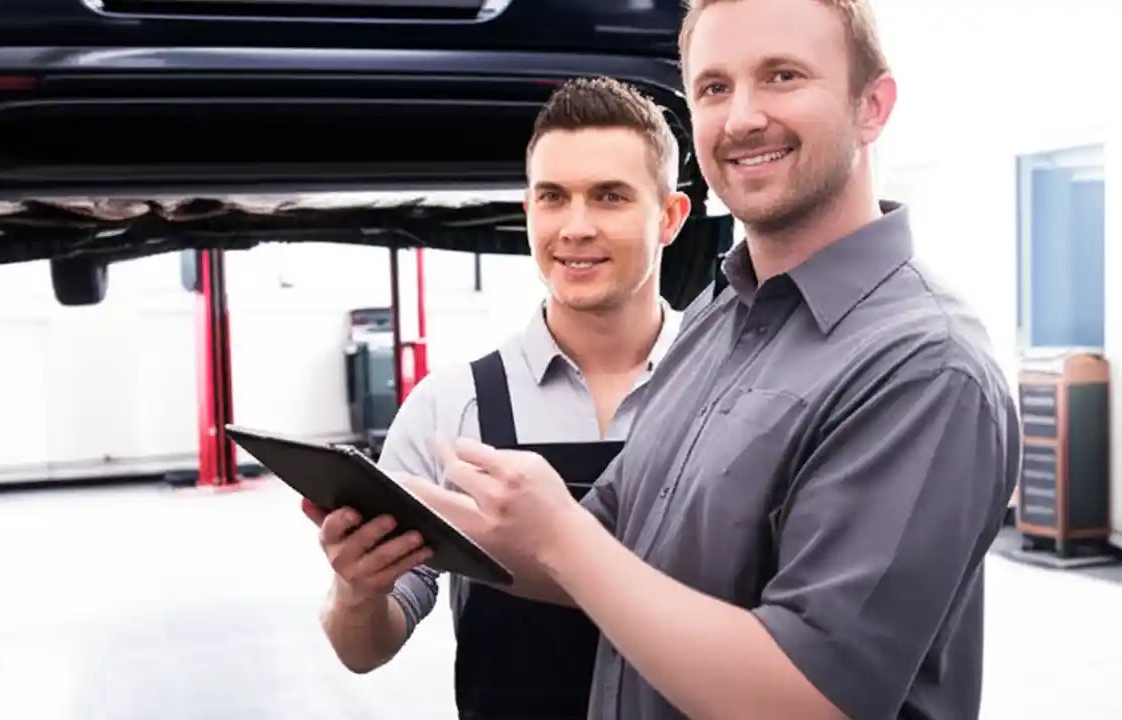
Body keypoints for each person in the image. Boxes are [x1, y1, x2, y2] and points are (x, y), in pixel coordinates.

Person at [399, 1, 1022, 719]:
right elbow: (612, 549)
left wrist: (560, 536)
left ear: (872, 107)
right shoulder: (719, 315)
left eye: (783, 76)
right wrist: (424, 532)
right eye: (714, 88)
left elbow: (810, 698)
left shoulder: (924, 367)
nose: (742, 118)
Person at [303, 77, 693, 717]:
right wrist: (356, 592)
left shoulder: (733, 390)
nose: (576, 227)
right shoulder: (449, 407)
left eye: (610, 197)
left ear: (670, 218)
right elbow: (363, 651)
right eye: (553, 197)